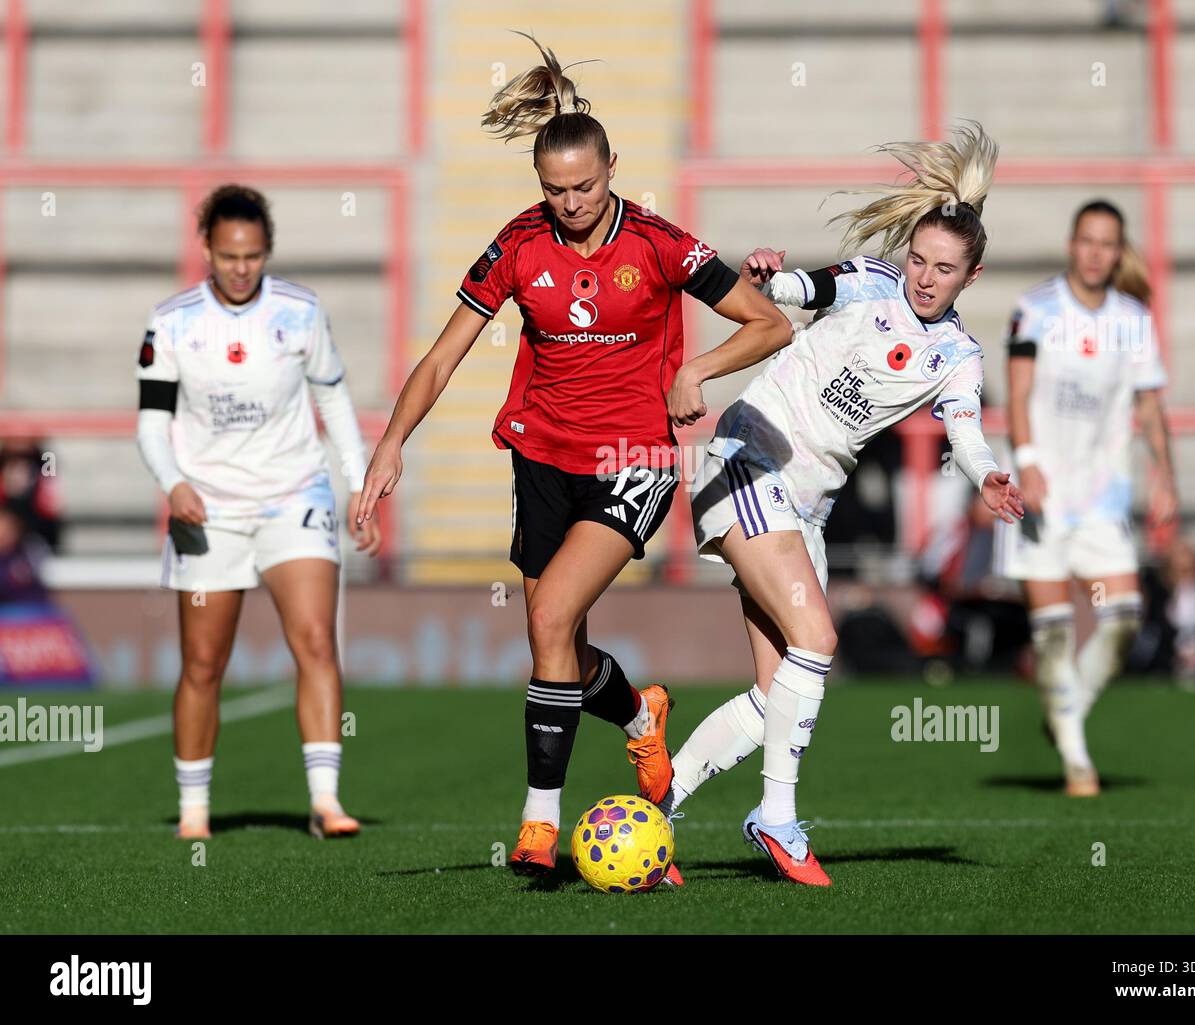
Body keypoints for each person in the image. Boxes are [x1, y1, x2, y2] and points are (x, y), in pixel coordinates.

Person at [356, 33, 792, 878]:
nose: (571, 203)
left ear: (612, 166)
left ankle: (538, 827)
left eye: (585, 186)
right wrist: (390, 445)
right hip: (540, 456)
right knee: (557, 648)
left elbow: (769, 323)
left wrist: (694, 368)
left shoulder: (662, 245)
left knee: (551, 618)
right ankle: (640, 717)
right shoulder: (520, 244)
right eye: (554, 190)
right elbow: (444, 354)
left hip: (633, 458)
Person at [659, 123, 1024, 886]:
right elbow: (801, 290)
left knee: (776, 692)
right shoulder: (870, 282)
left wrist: (987, 473)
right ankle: (777, 820)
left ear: (972, 275)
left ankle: (654, 814)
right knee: (819, 637)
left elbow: (965, 429)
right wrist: (765, 275)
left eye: (944, 269)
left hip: (805, 508)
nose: (924, 278)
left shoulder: (957, 356)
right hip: (751, 462)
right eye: (919, 259)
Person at [136, 184, 380, 840]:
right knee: (203, 664)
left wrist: (359, 484)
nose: (240, 267)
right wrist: (173, 482)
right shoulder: (172, 322)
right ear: (207, 251)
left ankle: (326, 802)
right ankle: (194, 810)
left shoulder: (300, 312)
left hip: (293, 494)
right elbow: (152, 426)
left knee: (316, 639)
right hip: (206, 508)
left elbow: (332, 400)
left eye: (252, 255)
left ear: (266, 249)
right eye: (227, 255)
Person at [997, 199, 1177, 797]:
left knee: (1123, 620)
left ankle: (1064, 709)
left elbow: (1149, 406)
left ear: (1118, 252)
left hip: (1101, 499)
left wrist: (1164, 477)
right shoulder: (1036, 310)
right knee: (1052, 632)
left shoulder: (1134, 319)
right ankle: (1077, 761)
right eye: (1087, 241)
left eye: (1108, 243)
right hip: (1040, 496)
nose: (1096, 253)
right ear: (1072, 244)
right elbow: (1017, 396)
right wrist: (1027, 464)